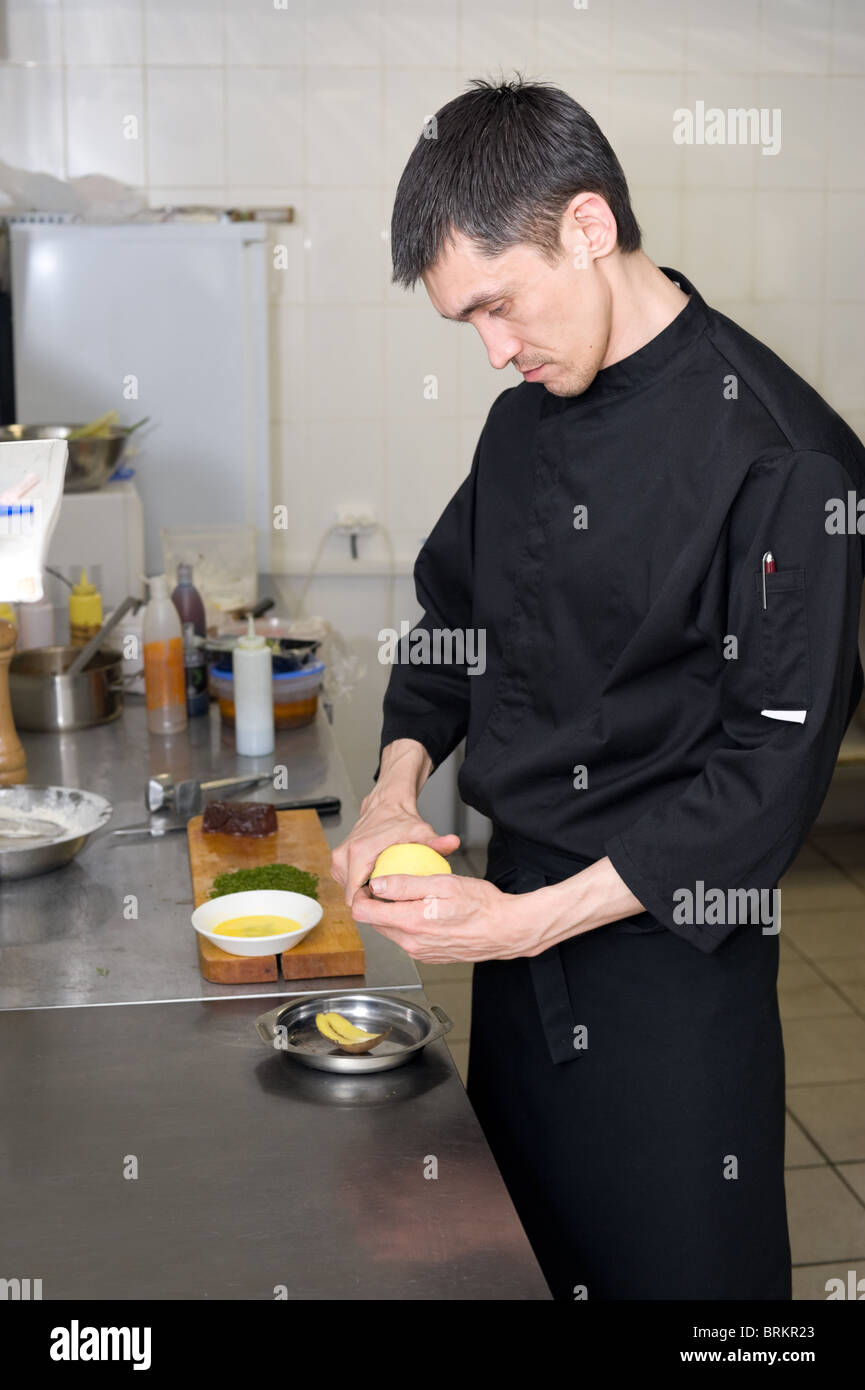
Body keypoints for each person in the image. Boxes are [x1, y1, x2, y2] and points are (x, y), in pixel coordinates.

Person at [331, 76, 865, 1300]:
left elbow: (763, 785)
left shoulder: (782, 458)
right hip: (516, 959)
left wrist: (529, 917)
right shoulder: (526, 414)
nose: (494, 349)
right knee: (520, 1265)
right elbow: (456, 615)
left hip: (664, 976)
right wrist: (393, 789)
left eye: (498, 306)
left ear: (586, 225)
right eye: (464, 323)